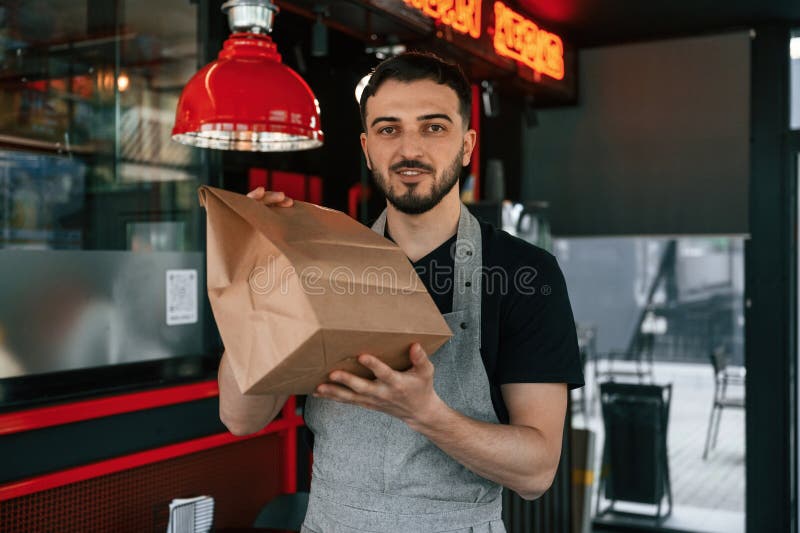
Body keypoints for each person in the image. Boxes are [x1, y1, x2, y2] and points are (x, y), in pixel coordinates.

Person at [218, 52, 584, 532]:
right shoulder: (323, 263)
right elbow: (241, 417)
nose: (410, 149)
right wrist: (261, 262)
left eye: (433, 127)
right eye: (389, 129)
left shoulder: (526, 274)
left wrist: (426, 414)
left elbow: (536, 471)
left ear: (467, 144)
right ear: (368, 148)